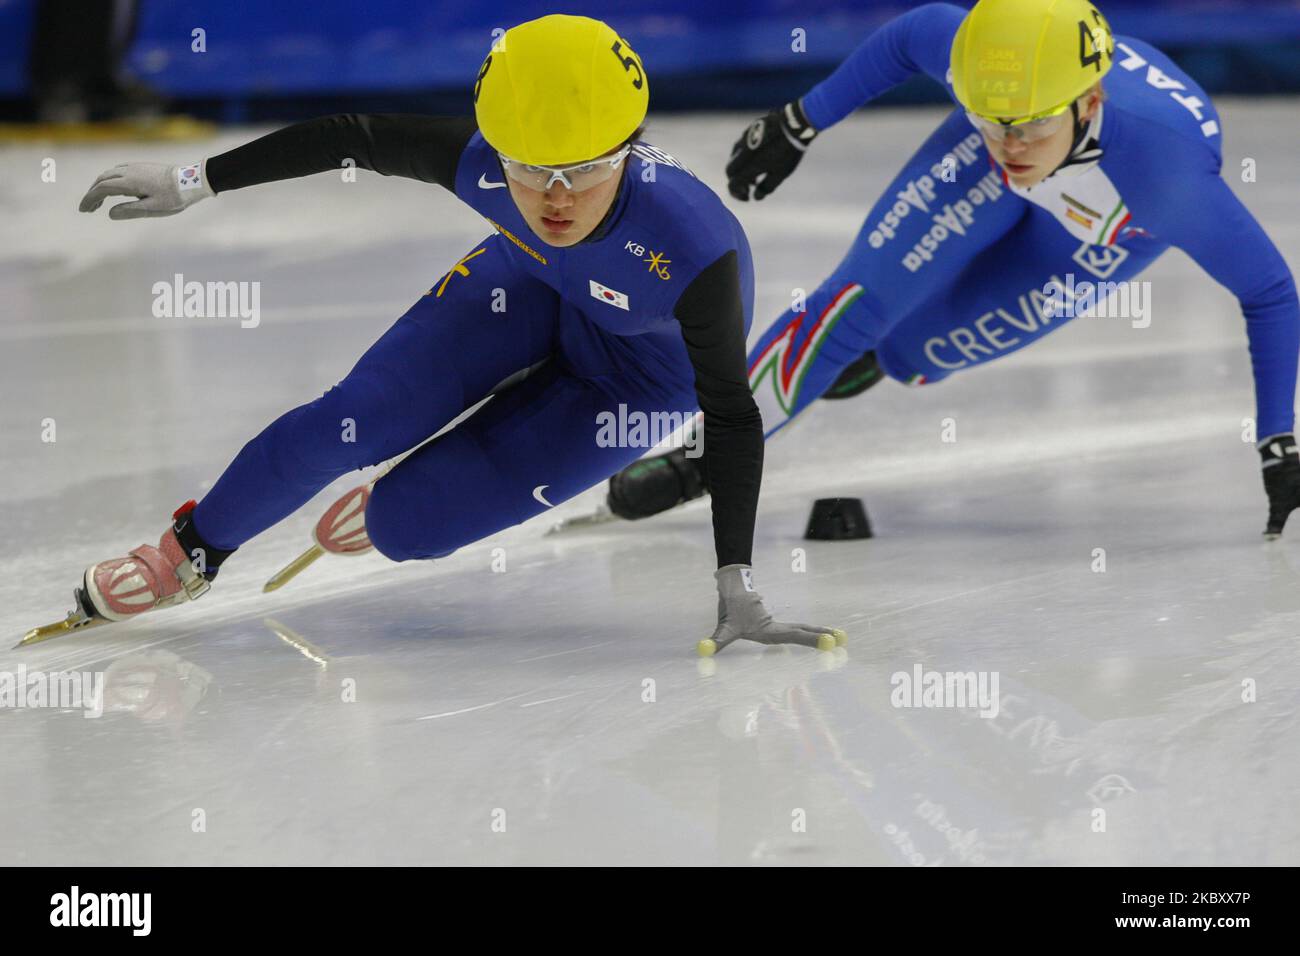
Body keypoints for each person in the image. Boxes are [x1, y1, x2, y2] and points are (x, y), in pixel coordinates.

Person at [41, 14, 845, 657]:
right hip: (528, 286)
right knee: (347, 422)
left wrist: (735, 580)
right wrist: (191, 182)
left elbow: (732, 415)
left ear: (627, 152)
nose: (554, 198)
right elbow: (352, 133)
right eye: (529, 169)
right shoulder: (481, 163)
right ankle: (188, 556)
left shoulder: (695, 249)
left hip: (633, 383)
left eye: (582, 173)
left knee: (406, 526)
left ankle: (401, 504)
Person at [606, 0, 1300, 541]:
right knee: (856, 306)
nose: (1008, 145)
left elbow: (1269, 292)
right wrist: (798, 121)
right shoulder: (995, 84)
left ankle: (876, 354)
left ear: (1090, 103)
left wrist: (1278, 441)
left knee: (912, 352)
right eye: (990, 120)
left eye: (1026, 125)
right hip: (1006, 174)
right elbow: (916, 34)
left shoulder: (1169, 182)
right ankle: (702, 457)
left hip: (1108, 225)